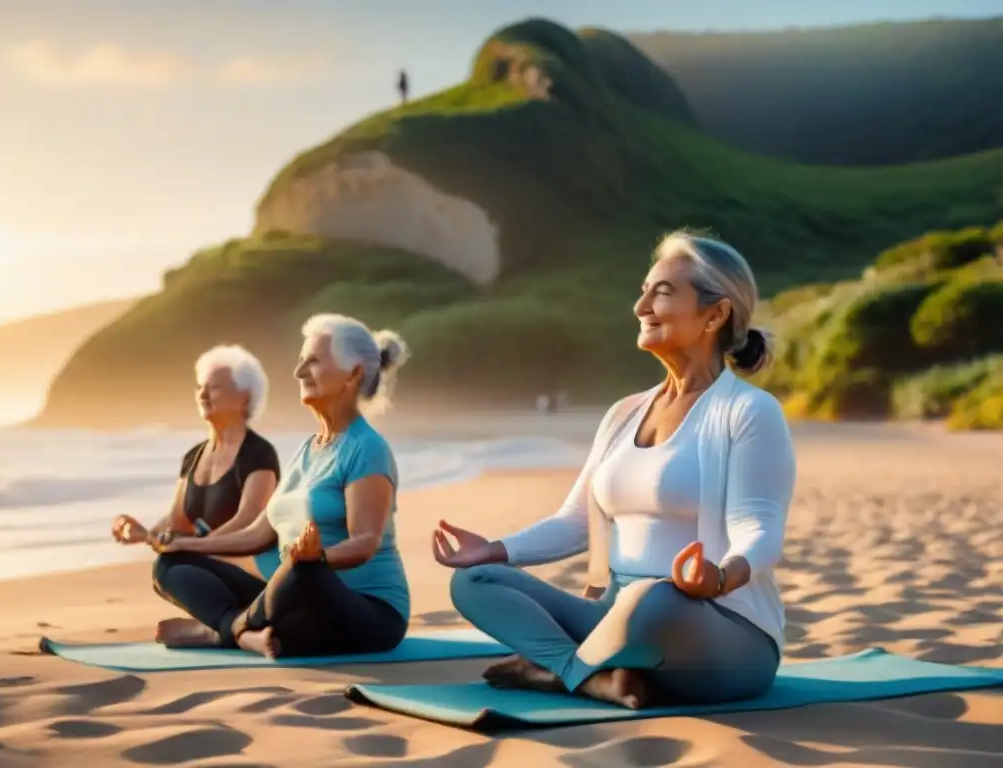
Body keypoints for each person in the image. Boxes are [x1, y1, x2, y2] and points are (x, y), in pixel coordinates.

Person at [433, 230, 797, 709]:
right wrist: (496, 550)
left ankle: (559, 669)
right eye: (642, 292)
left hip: (715, 626)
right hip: (614, 617)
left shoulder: (749, 411)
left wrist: (721, 577)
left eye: (661, 293)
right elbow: (575, 520)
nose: (641, 307)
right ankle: (586, 677)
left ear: (715, 314)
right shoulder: (624, 413)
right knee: (476, 580)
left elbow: (760, 529)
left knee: (655, 599)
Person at [150, 314, 412, 659]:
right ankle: (239, 629)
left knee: (302, 570)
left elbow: (364, 542)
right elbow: (256, 535)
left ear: (353, 374)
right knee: (171, 565)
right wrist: (187, 544)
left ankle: (225, 629)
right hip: (293, 594)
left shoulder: (366, 448)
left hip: (368, 612)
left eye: (313, 361)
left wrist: (316, 557)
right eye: (301, 361)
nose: (299, 372)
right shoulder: (306, 450)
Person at [111, 344, 280, 547]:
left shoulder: (259, 454)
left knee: (174, 563)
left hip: (238, 561)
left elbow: (248, 523)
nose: (203, 395)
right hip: (196, 556)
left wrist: (190, 547)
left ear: (245, 397)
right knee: (168, 563)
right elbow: (177, 523)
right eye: (200, 387)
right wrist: (142, 532)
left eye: (214, 387)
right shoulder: (193, 457)